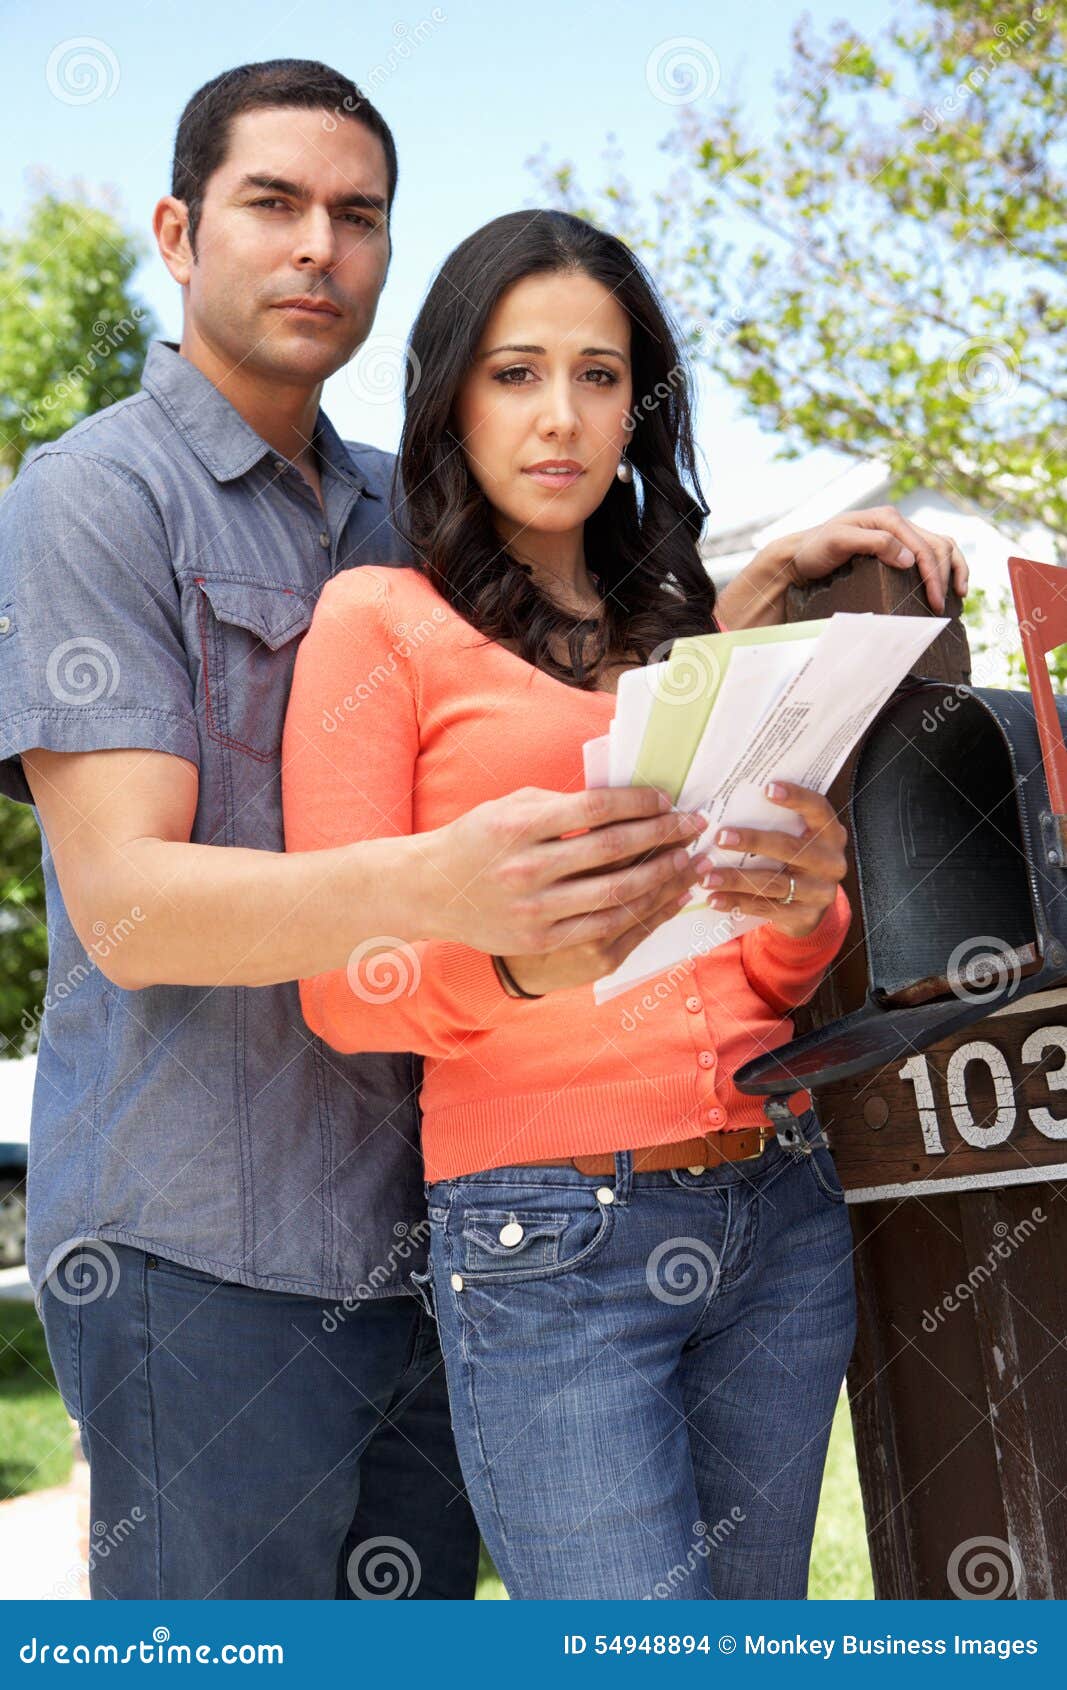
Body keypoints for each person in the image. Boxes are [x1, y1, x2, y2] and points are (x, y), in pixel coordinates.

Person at [280, 207, 967, 1599]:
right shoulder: (379, 625)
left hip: (776, 1202)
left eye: (601, 375)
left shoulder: (689, 636)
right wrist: (531, 964)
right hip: (550, 1243)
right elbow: (343, 982)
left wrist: (801, 907)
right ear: (449, 396)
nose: (563, 416)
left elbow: (767, 973)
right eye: (516, 371)